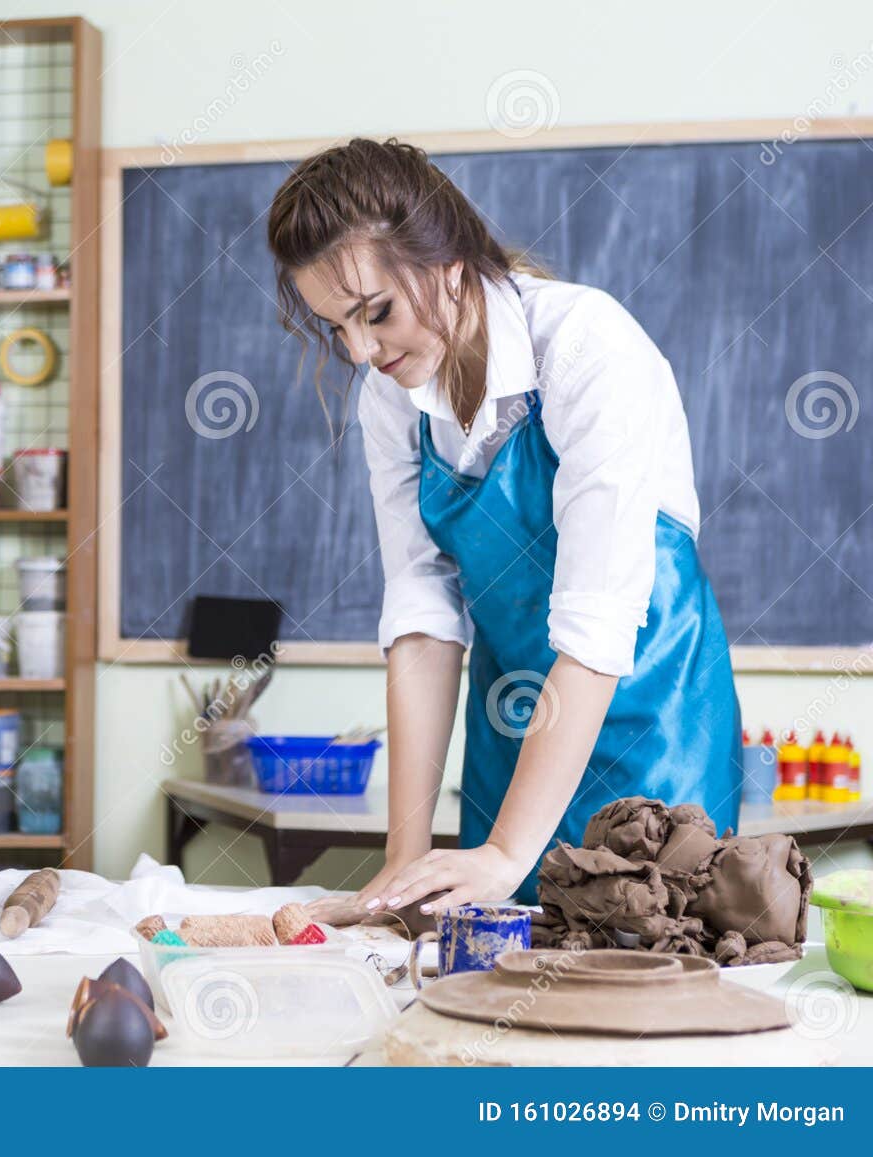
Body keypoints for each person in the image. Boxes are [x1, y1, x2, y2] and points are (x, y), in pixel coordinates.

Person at [267, 138, 741, 914]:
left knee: (644, 974)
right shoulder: (390, 398)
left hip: (653, 730)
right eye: (335, 328)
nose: (358, 352)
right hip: (514, 734)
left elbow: (594, 627)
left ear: (448, 263)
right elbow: (423, 621)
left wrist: (512, 850)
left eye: (375, 313)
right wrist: (406, 864)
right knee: (495, 981)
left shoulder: (588, 346)